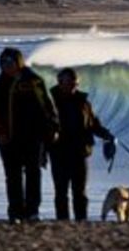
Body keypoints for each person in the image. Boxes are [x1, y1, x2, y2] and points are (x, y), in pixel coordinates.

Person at [0, 47, 59, 223]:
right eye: (3, 63)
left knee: (33, 173)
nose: (6, 66)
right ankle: (15, 212)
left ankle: (32, 211)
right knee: (13, 176)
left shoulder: (34, 81)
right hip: (8, 139)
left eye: (9, 63)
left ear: (18, 63)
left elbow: (47, 107)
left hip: (33, 138)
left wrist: (53, 128)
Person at [50, 67, 116, 221]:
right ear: (60, 82)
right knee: (61, 192)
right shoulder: (51, 101)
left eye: (75, 83)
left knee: (80, 192)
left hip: (79, 152)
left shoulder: (83, 102)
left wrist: (106, 134)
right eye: (69, 82)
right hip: (59, 152)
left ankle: (81, 221)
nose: (73, 86)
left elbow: (93, 124)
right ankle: (62, 222)